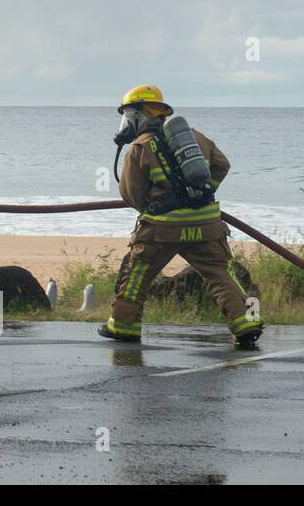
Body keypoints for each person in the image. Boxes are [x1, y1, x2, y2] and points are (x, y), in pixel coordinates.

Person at [101, 85, 263, 348]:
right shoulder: (196, 138)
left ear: (137, 115)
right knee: (221, 274)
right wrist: (198, 195)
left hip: (162, 229)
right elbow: (222, 164)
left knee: (136, 275)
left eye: (128, 115)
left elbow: (130, 193)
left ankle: (123, 327)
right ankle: (246, 325)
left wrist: (155, 204)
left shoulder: (140, 147)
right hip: (207, 225)